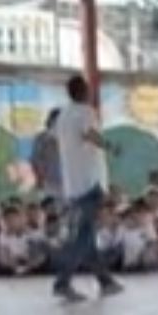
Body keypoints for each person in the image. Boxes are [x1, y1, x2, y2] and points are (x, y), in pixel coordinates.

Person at [51, 74, 124, 302]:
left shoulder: (62, 116)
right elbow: (89, 134)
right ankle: (62, 282)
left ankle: (105, 281)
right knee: (83, 237)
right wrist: (110, 146)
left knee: (87, 234)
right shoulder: (85, 112)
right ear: (84, 91)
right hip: (89, 182)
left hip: (73, 182)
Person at [30, 109, 62, 200]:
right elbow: (35, 160)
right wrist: (39, 179)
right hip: (48, 182)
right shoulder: (41, 138)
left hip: (68, 182)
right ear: (50, 121)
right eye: (56, 120)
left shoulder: (68, 138)